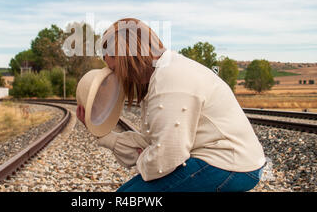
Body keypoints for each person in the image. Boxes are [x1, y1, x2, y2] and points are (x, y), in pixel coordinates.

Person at [76, 18, 266, 192]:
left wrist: (146, 158)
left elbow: (167, 157)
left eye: (115, 70)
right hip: (225, 160)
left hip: (230, 164)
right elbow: (154, 143)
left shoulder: (170, 80)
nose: (117, 78)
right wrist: (104, 135)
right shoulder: (163, 73)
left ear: (126, 58)